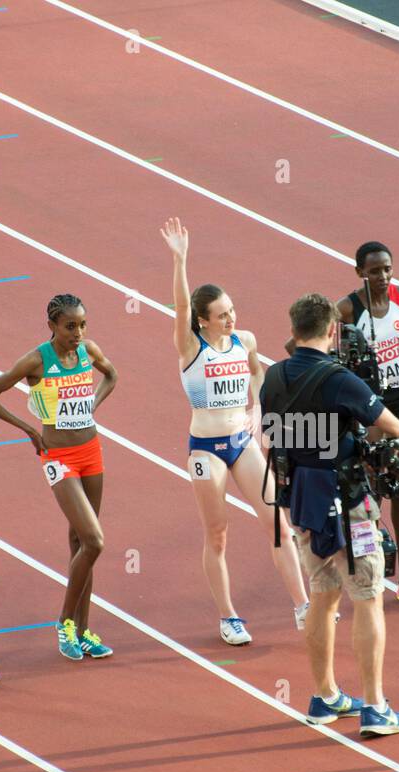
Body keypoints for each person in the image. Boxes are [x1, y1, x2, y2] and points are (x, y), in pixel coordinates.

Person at [260, 293, 399, 736]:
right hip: (348, 503)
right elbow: (395, 427)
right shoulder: (341, 379)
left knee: (322, 597)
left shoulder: (272, 378)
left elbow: (274, 436)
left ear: (293, 330)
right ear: (331, 331)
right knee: (367, 598)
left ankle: (325, 696)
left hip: (302, 503)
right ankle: (375, 705)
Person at [158, 217, 309, 645]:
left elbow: (260, 376)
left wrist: (258, 412)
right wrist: (180, 259)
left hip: (242, 444)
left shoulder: (245, 340)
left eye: (231, 311)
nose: (230, 319)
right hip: (206, 449)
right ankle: (228, 616)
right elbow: (181, 308)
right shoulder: (190, 346)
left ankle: (303, 605)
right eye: (221, 315)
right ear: (203, 321)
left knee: (277, 523)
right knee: (218, 532)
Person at [0, 294, 118, 660]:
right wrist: (29, 429)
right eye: (70, 326)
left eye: (83, 324)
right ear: (52, 326)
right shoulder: (37, 360)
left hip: (92, 452)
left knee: (81, 545)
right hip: (59, 457)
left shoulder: (88, 350)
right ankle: (65, 623)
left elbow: (112, 375)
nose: (78, 332)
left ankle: (84, 632)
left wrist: (92, 407)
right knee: (95, 541)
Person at [335, 242, 399, 606]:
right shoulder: (348, 308)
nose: (382, 276)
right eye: (375, 271)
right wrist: (343, 372)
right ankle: (369, 572)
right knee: (372, 489)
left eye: (387, 269)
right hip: (371, 404)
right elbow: (303, 340)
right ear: (360, 272)